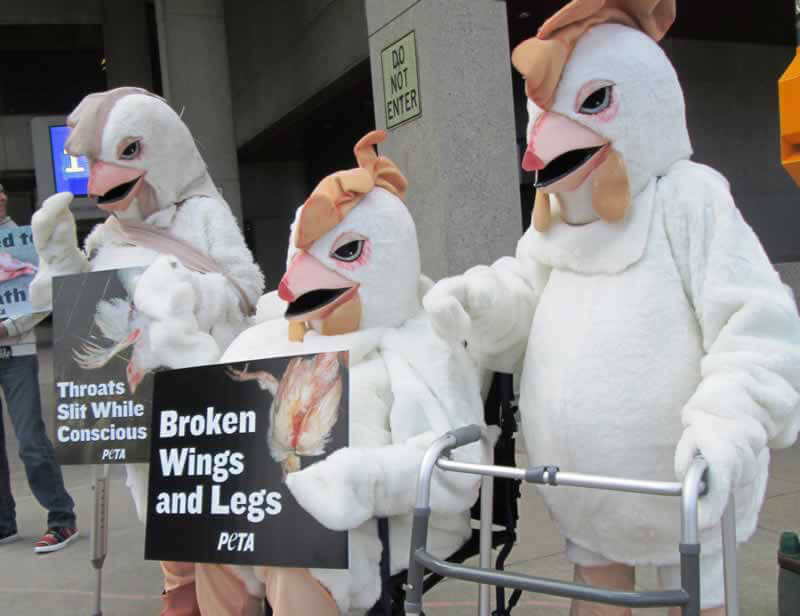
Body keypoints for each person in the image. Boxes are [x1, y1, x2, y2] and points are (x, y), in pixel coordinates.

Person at [0, 183, 78, 553]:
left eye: (1, 191)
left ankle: (62, 518)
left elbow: (42, 298)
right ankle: (3, 522)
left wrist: (9, 328)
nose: (0, 197)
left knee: (30, 438)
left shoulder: (25, 240)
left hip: (17, 352)